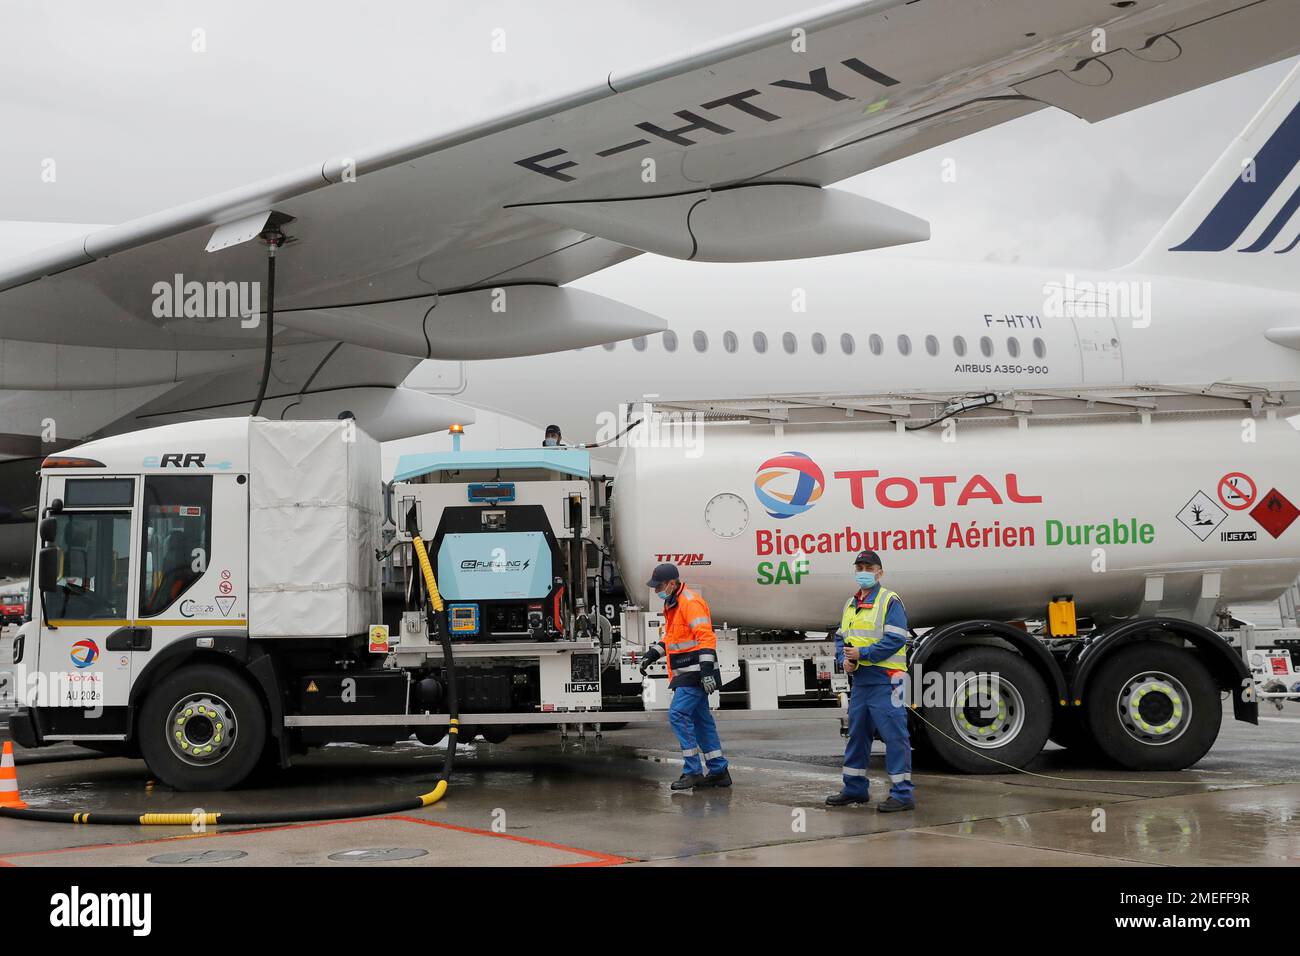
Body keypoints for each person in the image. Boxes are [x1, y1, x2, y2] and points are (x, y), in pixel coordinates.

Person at [826, 550, 915, 811]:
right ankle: (854, 788)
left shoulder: (889, 600)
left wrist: (862, 654)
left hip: (887, 680)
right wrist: (844, 658)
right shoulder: (851, 603)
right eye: (859, 567)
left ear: (880, 572)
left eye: (868, 567)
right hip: (863, 681)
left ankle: (902, 794)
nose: (863, 571)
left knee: (895, 737)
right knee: (857, 735)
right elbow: (842, 636)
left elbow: (896, 638)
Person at [639, 562, 732, 791]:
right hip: (687, 673)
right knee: (701, 721)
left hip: (696, 674)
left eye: (659, 586)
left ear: (672, 583)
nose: (656, 591)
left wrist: (707, 672)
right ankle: (719, 770)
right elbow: (671, 638)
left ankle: (692, 772)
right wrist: (651, 655)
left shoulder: (690, 603)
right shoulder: (673, 604)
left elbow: (706, 638)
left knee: (678, 714)